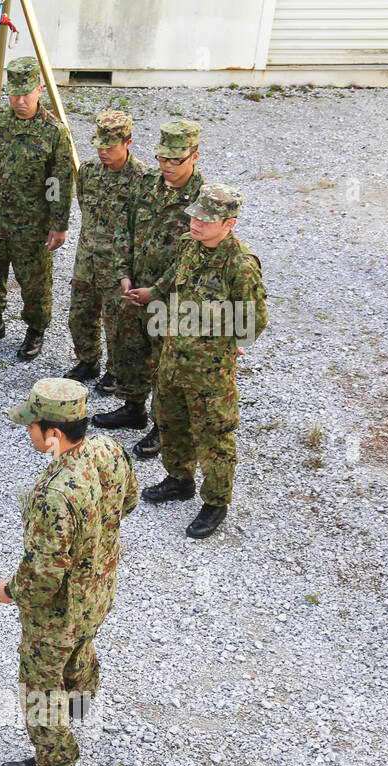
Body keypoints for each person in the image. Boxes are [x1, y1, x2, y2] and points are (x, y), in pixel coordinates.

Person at [0, 378, 137, 766]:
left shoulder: (54, 493)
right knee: (82, 643)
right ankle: (80, 702)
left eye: (31, 425)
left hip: (61, 608)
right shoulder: (109, 450)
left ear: (53, 433)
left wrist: (9, 591)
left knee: (38, 678)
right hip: (99, 589)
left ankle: (55, 763)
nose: (27, 430)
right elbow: (128, 501)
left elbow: (42, 578)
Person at [136, 183, 268, 539]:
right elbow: (171, 280)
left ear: (230, 223)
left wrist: (232, 344)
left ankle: (215, 502)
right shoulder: (188, 246)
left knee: (214, 436)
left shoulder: (240, 265)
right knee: (171, 421)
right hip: (173, 357)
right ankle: (180, 479)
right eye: (196, 216)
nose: (196, 223)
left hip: (210, 372)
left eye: (207, 220)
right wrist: (153, 293)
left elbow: (254, 318)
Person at [99, 120, 205, 456]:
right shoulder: (146, 183)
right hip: (135, 287)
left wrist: (155, 291)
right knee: (130, 349)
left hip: (170, 298)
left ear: (195, 156)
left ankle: (164, 426)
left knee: (165, 364)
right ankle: (134, 408)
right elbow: (123, 229)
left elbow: (193, 257)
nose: (168, 167)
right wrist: (124, 274)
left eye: (176, 160)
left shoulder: (203, 201)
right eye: (163, 159)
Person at [0, 56, 74, 361]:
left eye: (26, 94)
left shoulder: (54, 132)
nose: (20, 101)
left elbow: (59, 182)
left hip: (32, 226)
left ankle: (35, 331)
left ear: (39, 90)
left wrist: (59, 224)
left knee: (34, 282)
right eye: (14, 94)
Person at [63, 110, 151, 384]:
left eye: (110, 147)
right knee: (80, 316)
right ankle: (88, 361)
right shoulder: (88, 172)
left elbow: (143, 228)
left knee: (118, 324)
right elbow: (84, 207)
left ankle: (115, 371)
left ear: (128, 142)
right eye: (99, 145)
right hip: (87, 259)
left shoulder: (143, 180)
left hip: (119, 266)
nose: (103, 152)